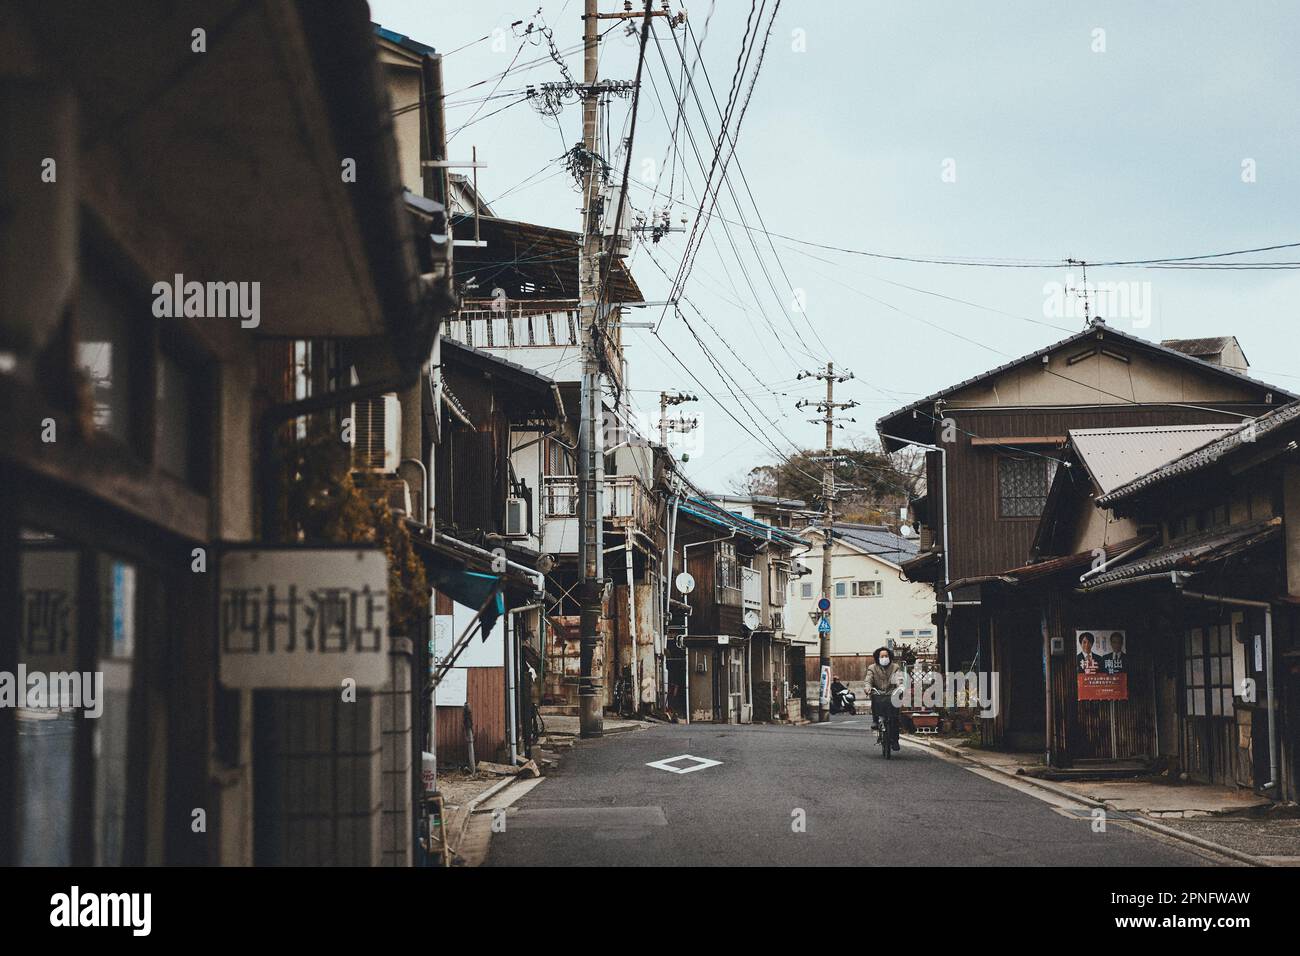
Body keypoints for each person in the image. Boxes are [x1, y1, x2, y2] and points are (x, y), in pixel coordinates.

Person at [866, 647, 902, 751]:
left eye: (886, 656)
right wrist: (867, 688)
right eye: (882, 656)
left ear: (890, 657)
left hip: (891, 693)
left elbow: (899, 678)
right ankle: (875, 721)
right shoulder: (872, 668)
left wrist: (900, 686)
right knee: (874, 697)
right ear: (878, 658)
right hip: (878, 693)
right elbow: (868, 680)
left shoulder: (895, 667)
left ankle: (895, 740)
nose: (884, 658)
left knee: (894, 718)